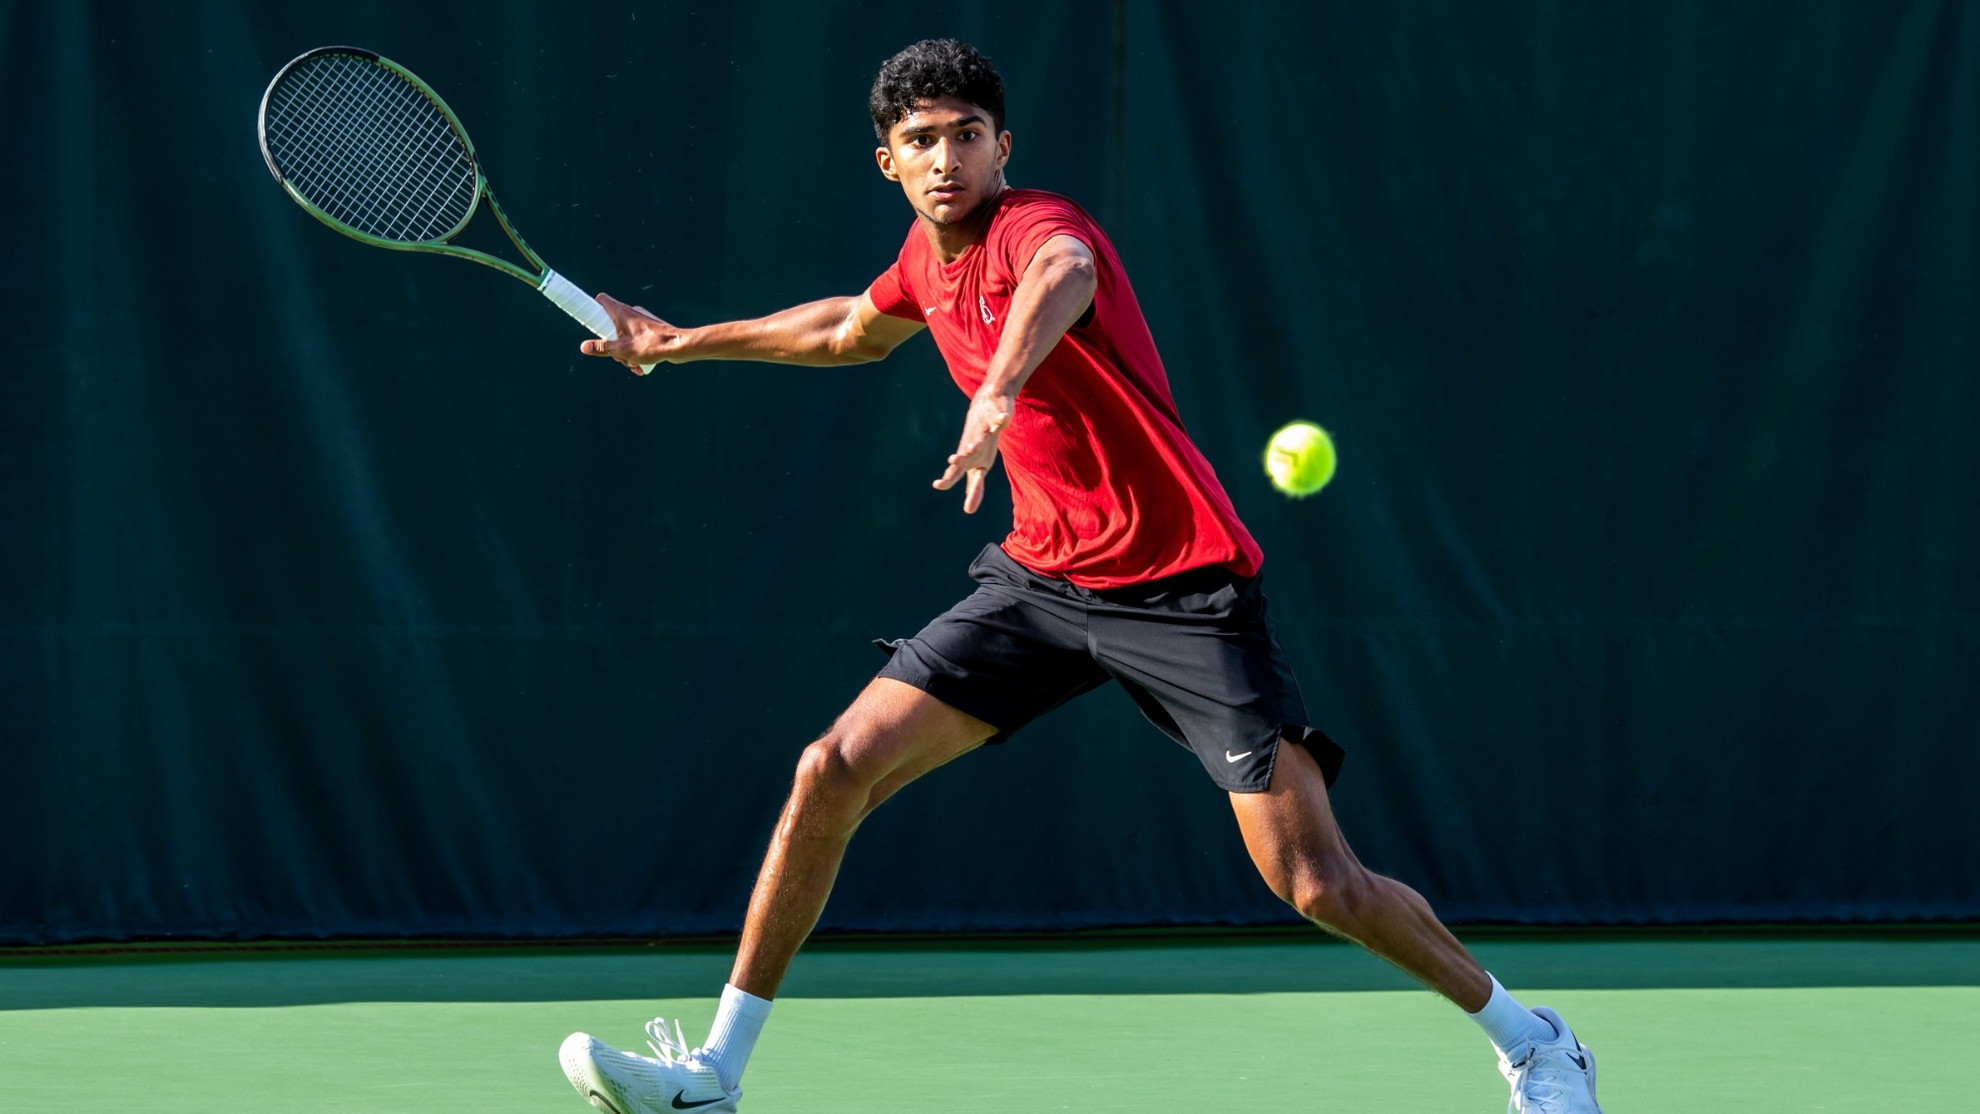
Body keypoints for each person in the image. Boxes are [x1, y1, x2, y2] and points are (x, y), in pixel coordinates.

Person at [557, 38, 1602, 1114]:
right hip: (1041, 585)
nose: (947, 158)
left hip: (1184, 587)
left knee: (1317, 883)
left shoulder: (1038, 229)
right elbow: (846, 330)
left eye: (968, 136)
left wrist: (1001, 387)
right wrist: (680, 342)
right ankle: (713, 1076)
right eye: (922, 141)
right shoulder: (926, 257)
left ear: (1004, 146)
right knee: (831, 768)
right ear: (889, 163)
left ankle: (1535, 1043)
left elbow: (1066, 275)